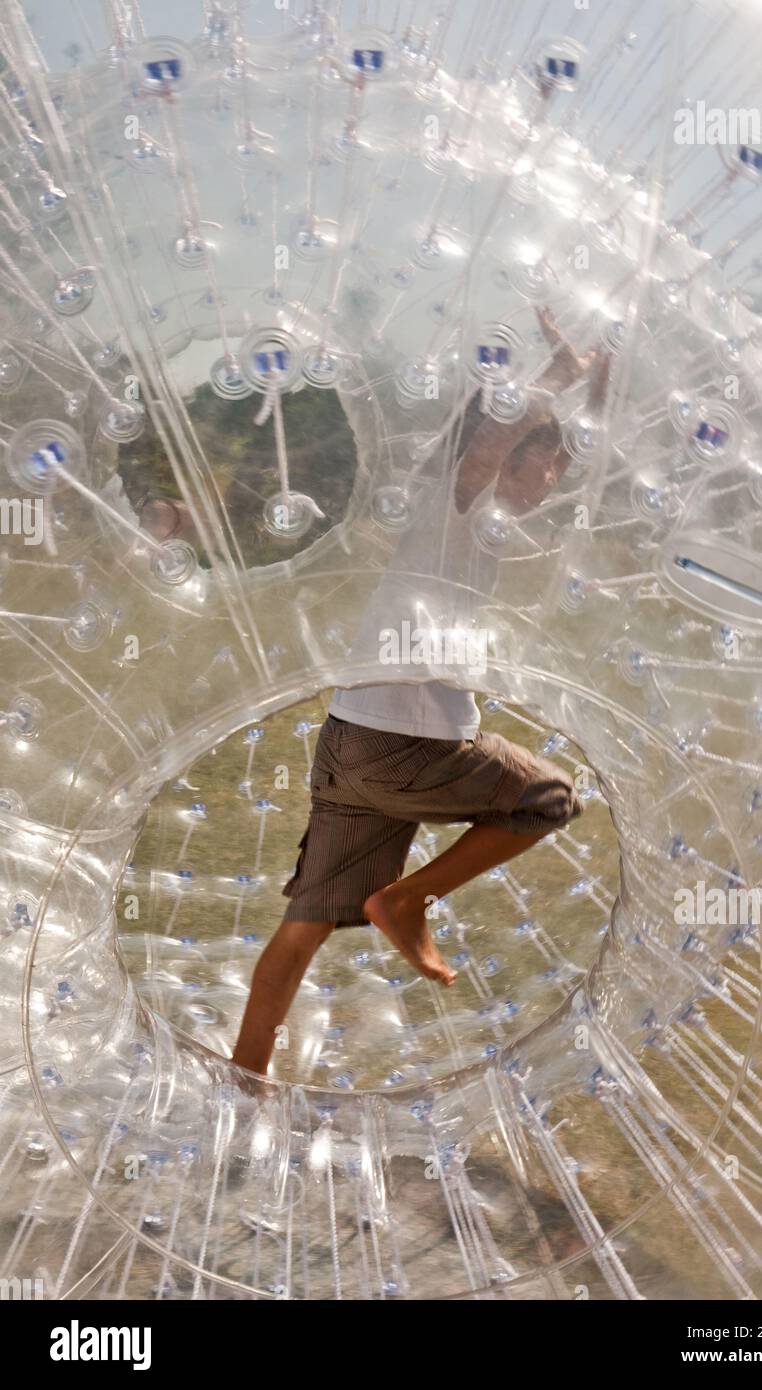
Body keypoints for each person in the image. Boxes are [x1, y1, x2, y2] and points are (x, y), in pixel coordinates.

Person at [231, 309, 609, 1076]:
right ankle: (407, 901)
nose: (553, 482)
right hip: (409, 746)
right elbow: (488, 442)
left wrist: (593, 391)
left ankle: (246, 1082)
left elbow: (548, 452)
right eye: (547, 466)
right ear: (506, 461)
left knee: (301, 929)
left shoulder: (475, 524)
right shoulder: (454, 502)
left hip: (350, 741)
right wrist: (559, 377)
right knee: (548, 797)